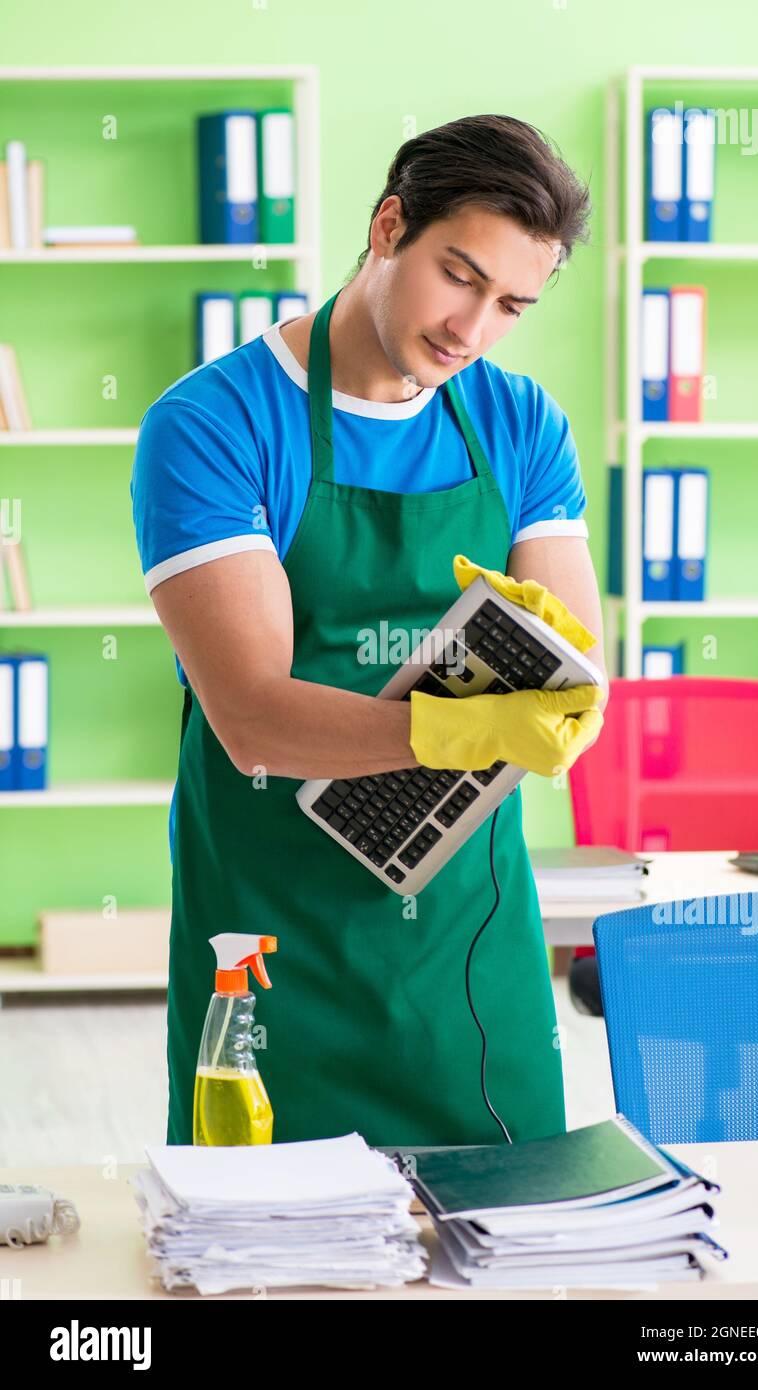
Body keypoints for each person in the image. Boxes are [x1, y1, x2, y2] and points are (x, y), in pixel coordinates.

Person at [130, 113, 610, 1148]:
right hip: (268, 942)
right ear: (389, 225)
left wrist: (566, 694)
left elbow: (577, 666)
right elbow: (254, 717)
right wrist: (464, 730)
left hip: (468, 955)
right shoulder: (215, 425)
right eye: (459, 275)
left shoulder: (521, 424)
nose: (473, 328)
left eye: (512, 304)